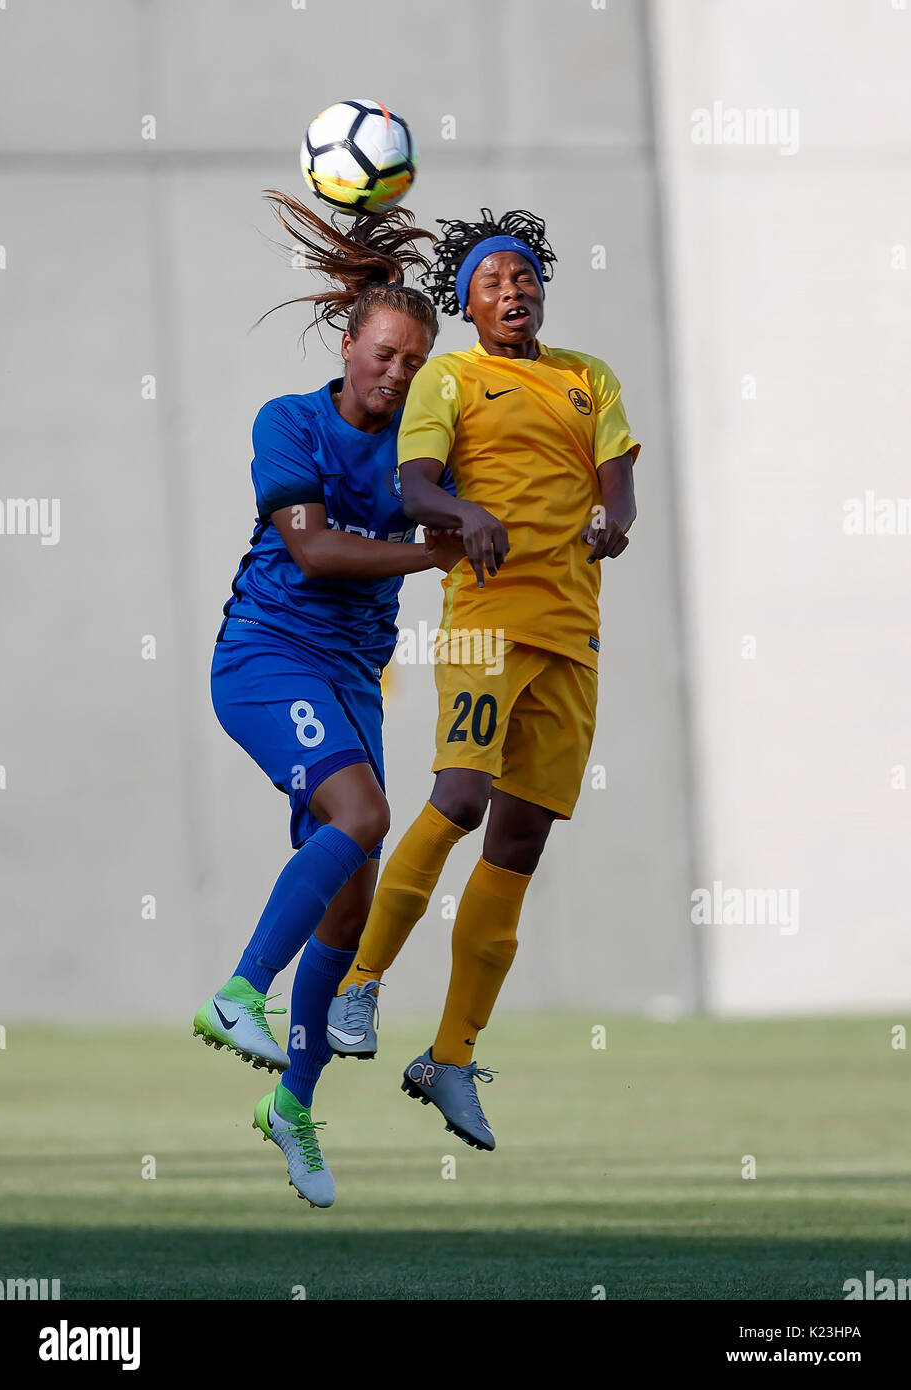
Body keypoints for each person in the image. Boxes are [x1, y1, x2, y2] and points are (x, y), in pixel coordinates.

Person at [326, 208, 640, 1152]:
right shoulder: (452, 378)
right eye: (494, 281)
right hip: (484, 623)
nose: (514, 291)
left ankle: (451, 1058)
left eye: (525, 276)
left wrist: (615, 520)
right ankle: (357, 984)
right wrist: (463, 512)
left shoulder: (589, 377)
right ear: (467, 303)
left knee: (520, 843)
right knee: (460, 798)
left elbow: (618, 480)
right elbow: (414, 486)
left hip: (570, 635)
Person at [195, 194, 462, 1207]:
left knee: (352, 893)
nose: (396, 373)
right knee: (363, 815)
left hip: (352, 679)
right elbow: (311, 550)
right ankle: (238, 991)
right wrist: (431, 555)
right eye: (384, 353)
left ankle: (292, 1107)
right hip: (267, 657)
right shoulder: (290, 421)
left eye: (413, 362)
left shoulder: (421, 450)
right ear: (347, 345)